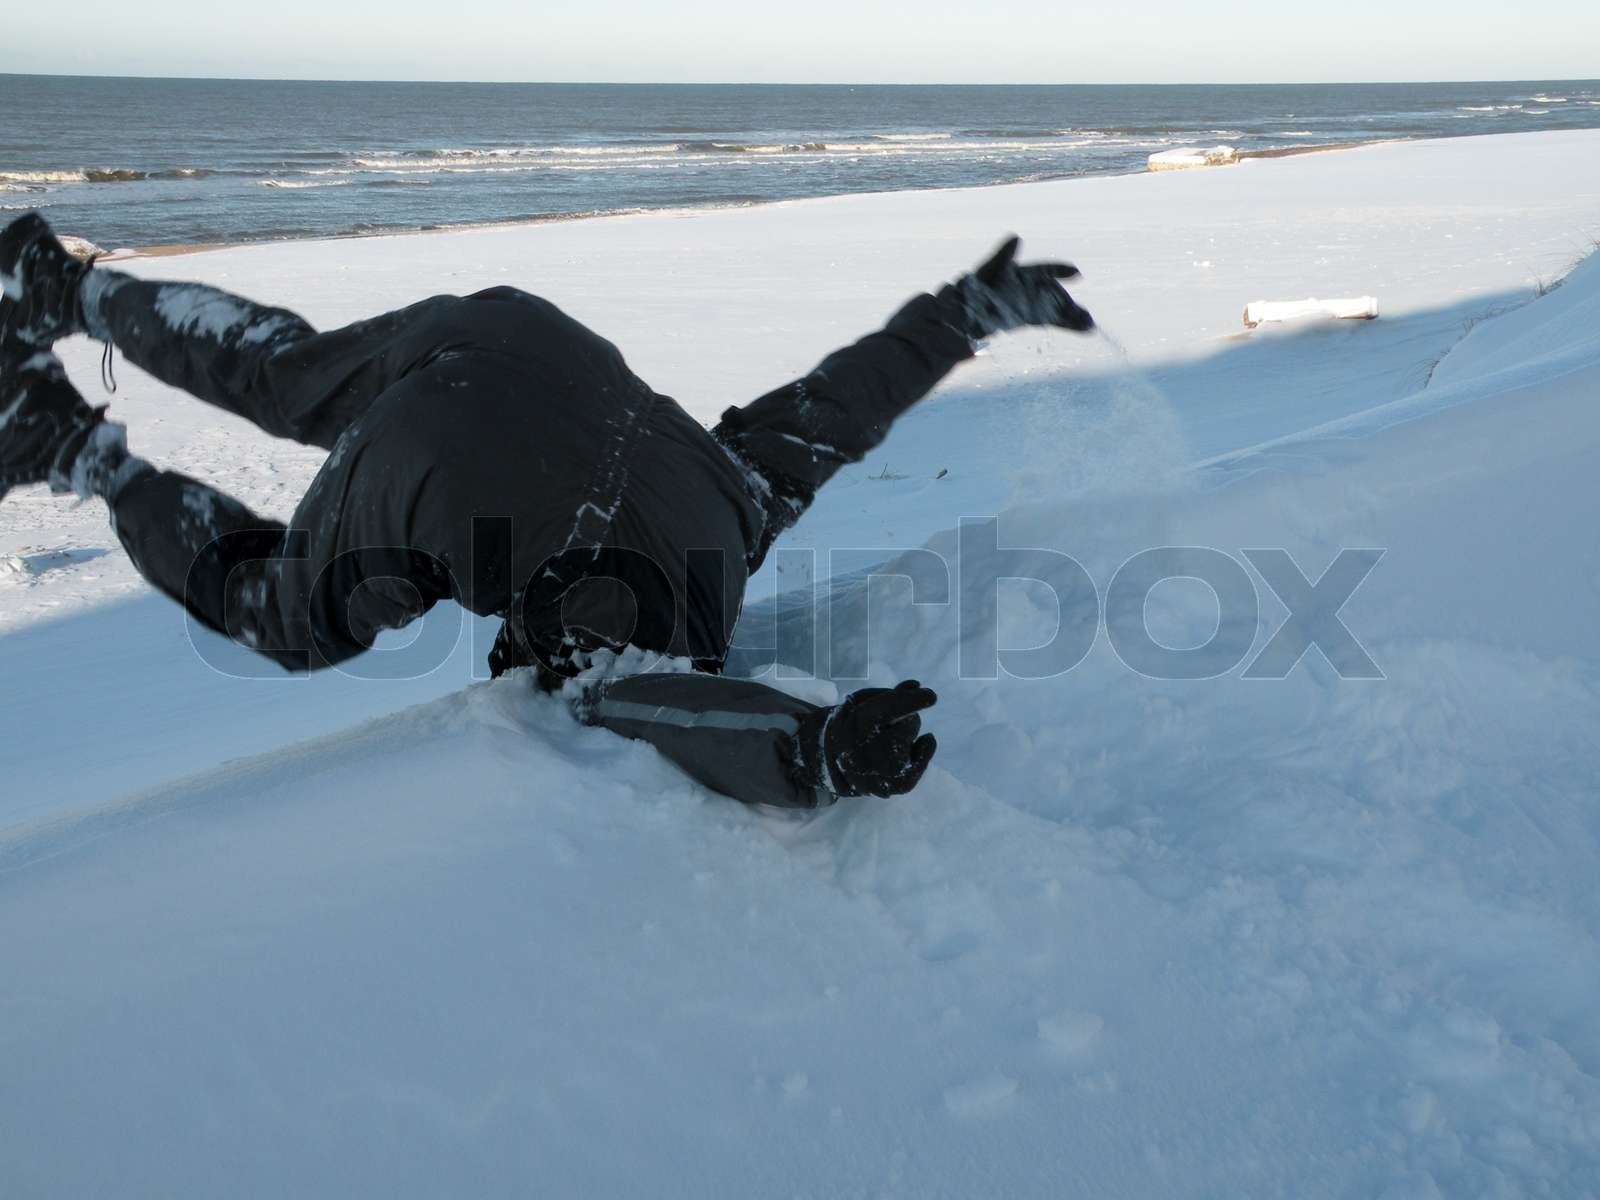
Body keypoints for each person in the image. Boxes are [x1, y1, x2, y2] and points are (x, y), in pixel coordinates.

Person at [0, 212, 1093, 808]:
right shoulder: (621, 645)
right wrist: (817, 752)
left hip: (522, 336)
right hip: (457, 463)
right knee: (285, 612)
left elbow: (833, 412)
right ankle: (64, 443)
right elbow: (677, 714)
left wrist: (963, 314)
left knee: (289, 375)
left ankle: (61, 285)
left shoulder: (742, 492)